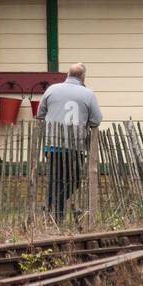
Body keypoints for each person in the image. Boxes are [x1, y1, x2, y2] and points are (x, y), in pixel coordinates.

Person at [35, 62, 103, 221]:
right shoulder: (88, 94)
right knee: (75, 180)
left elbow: (40, 114)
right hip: (75, 146)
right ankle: (55, 210)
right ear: (83, 76)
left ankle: (53, 210)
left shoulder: (51, 90)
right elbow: (96, 120)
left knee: (54, 179)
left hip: (52, 145)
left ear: (68, 74)